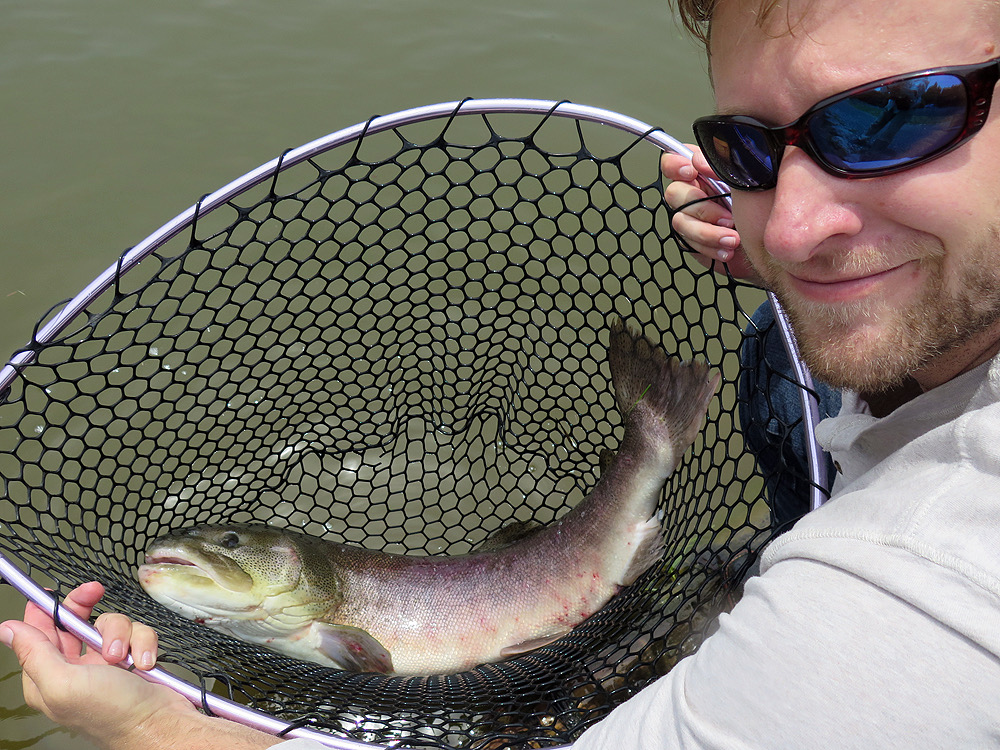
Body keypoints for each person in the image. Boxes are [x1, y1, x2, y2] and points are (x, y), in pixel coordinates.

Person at [7, 0, 1000, 745]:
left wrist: (150, 727)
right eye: (748, 148)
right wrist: (840, 275)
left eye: (892, 119)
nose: (790, 221)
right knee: (766, 353)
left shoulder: (914, 604)